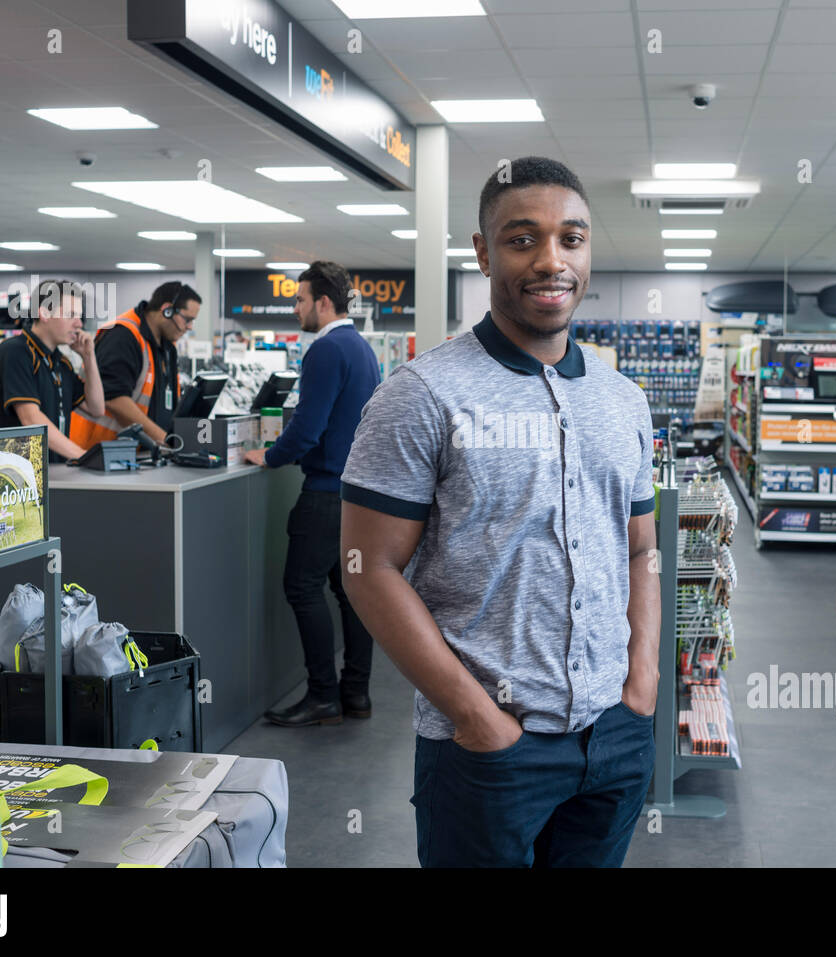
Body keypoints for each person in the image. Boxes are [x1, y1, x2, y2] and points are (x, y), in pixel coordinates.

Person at [340, 157, 660, 868]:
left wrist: (642, 684)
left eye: (571, 239)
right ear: (483, 252)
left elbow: (641, 550)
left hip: (614, 737)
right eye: (523, 239)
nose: (552, 260)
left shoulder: (623, 400)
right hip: (489, 748)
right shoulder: (421, 395)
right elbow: (368, 568)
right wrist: (474, 714)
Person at [246, 261, 381, 727]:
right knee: (349, 593)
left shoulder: (325, 350)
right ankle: (356, 694)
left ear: (324, 303)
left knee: (302, 587)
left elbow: (308, 427)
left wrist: (270, 456)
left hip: (325, 493)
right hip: (357, 494)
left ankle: (323, 695)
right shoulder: (362, 349)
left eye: (300, 300)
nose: (296, 309)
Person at [0, 278, 105, 462]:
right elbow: (31, 418)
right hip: (9, 480)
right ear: (45, 313)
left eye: (80, 316)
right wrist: (83, 457)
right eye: (71, 315)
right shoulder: (15, 351)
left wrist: (89, 357)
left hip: (50, 474)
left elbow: (96, 408)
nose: (79, 324)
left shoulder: (61, 362)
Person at [68, 281, 200, 448]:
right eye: (187, 319)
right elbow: (114, 399)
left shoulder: (167, 347)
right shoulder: (122, 335)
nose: (189, 327)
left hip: (133, 456)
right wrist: (167, 441)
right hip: (97, 453)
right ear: (167, 310)